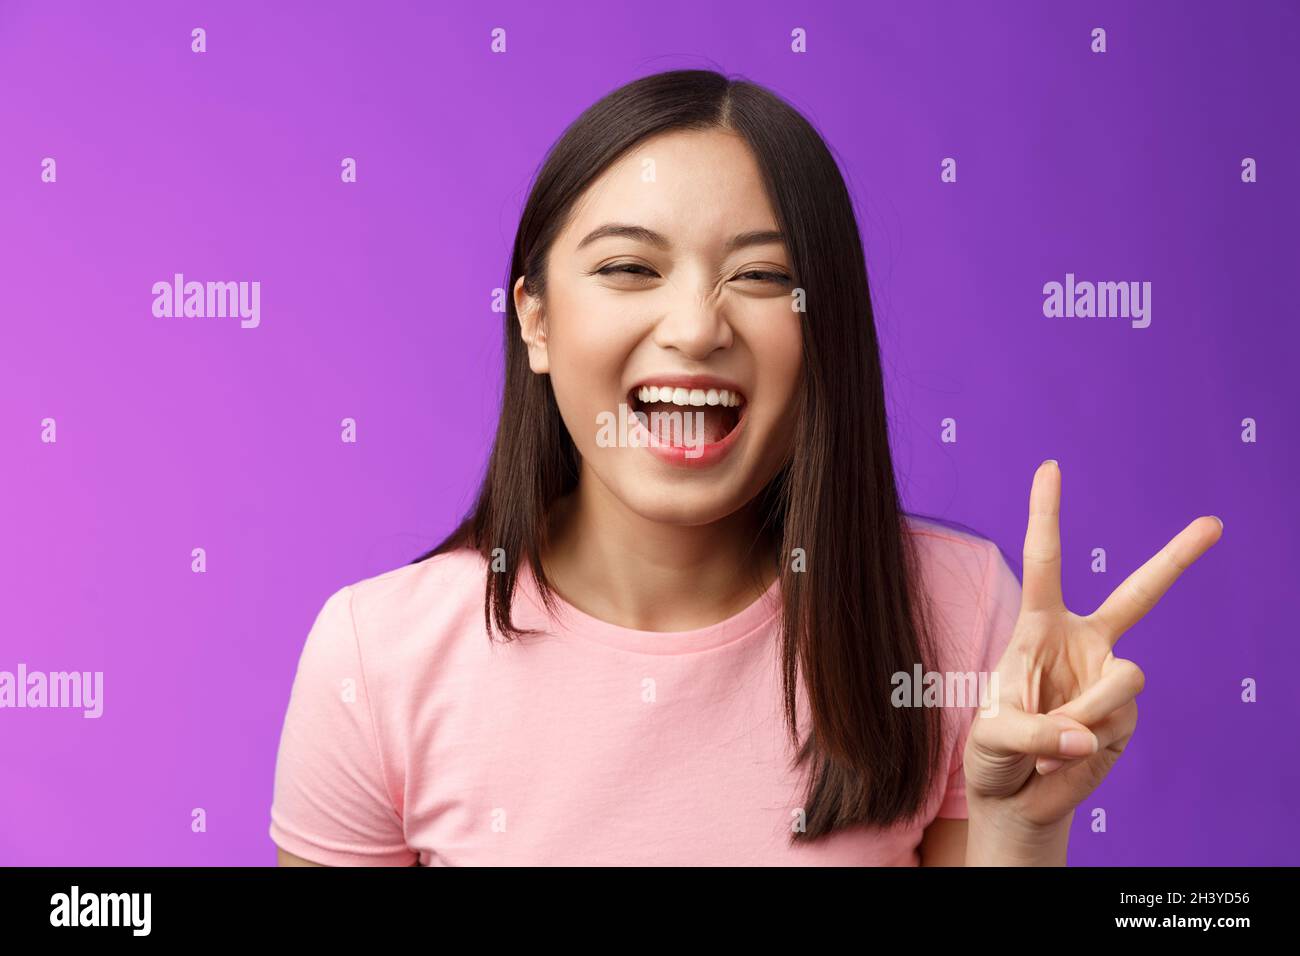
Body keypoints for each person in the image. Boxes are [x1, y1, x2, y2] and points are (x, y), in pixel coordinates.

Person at [269, 69, 1221, 866]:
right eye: (629, 269)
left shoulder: (957, 616)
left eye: (762, 278)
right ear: (537, 319)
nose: (694, 328)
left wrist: (1018, 829)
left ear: (826, 329)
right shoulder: (376, 656)